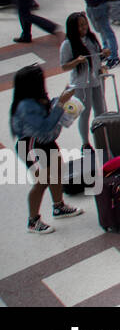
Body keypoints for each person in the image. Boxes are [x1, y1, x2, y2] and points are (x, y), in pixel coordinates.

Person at [9, 64, 84, 234]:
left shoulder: (36, 97)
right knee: (42, 182)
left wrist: (61, 98)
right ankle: (33, 221)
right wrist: (61, 103)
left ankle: (59, 206)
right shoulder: (25, 106)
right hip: (31, 145)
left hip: (46, 142)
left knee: (57, 172)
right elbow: (45, 125)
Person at [59, 12, 108, 147]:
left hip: (96, 80)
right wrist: (76, 61)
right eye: (80, 25)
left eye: (85, 24)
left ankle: (102, 138)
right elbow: (64, 66)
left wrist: (104, 54)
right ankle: (85, 143)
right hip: (81, 84)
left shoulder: (91, 38)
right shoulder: (67, 44)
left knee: (101, 110)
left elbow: (97, 57)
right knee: (85, 113)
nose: (84, 27)